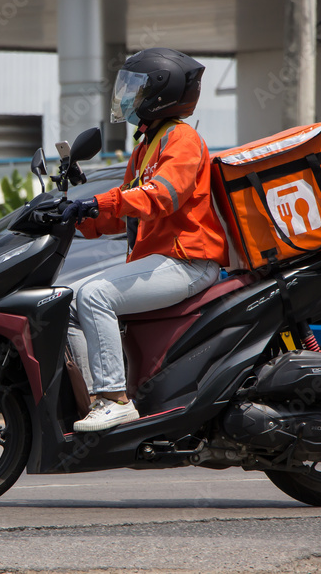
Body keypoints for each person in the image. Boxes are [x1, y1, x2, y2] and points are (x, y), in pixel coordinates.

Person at [61, 47, 229, 432]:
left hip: (187, 261)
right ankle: (91, 402)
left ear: (160, 93)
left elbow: (162, 196)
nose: (126, 96)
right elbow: (125, 211)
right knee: (67, 303)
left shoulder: (182, 138)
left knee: (95, 295)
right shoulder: (144, 147)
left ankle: (115, 400)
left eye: (135, 88)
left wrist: (99, 202)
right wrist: (77, 217)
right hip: (160, 261)